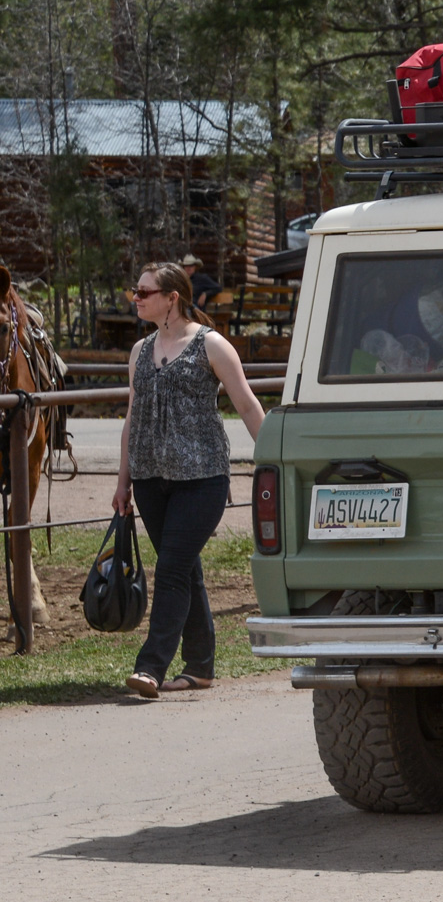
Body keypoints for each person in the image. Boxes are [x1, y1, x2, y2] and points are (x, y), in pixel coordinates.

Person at [116, 262, 265, 698]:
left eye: (144, 292)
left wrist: (277, 456)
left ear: (171, 297)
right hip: (149, 479)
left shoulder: (211, 345)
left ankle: (150, 666)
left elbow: (248, 405)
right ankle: (199, 666)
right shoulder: (140, 351)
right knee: (185, 570)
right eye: (135, 291)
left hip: (202, 478)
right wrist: (123, 481)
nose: (136, 298)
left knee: (173, 568)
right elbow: (132, 417)